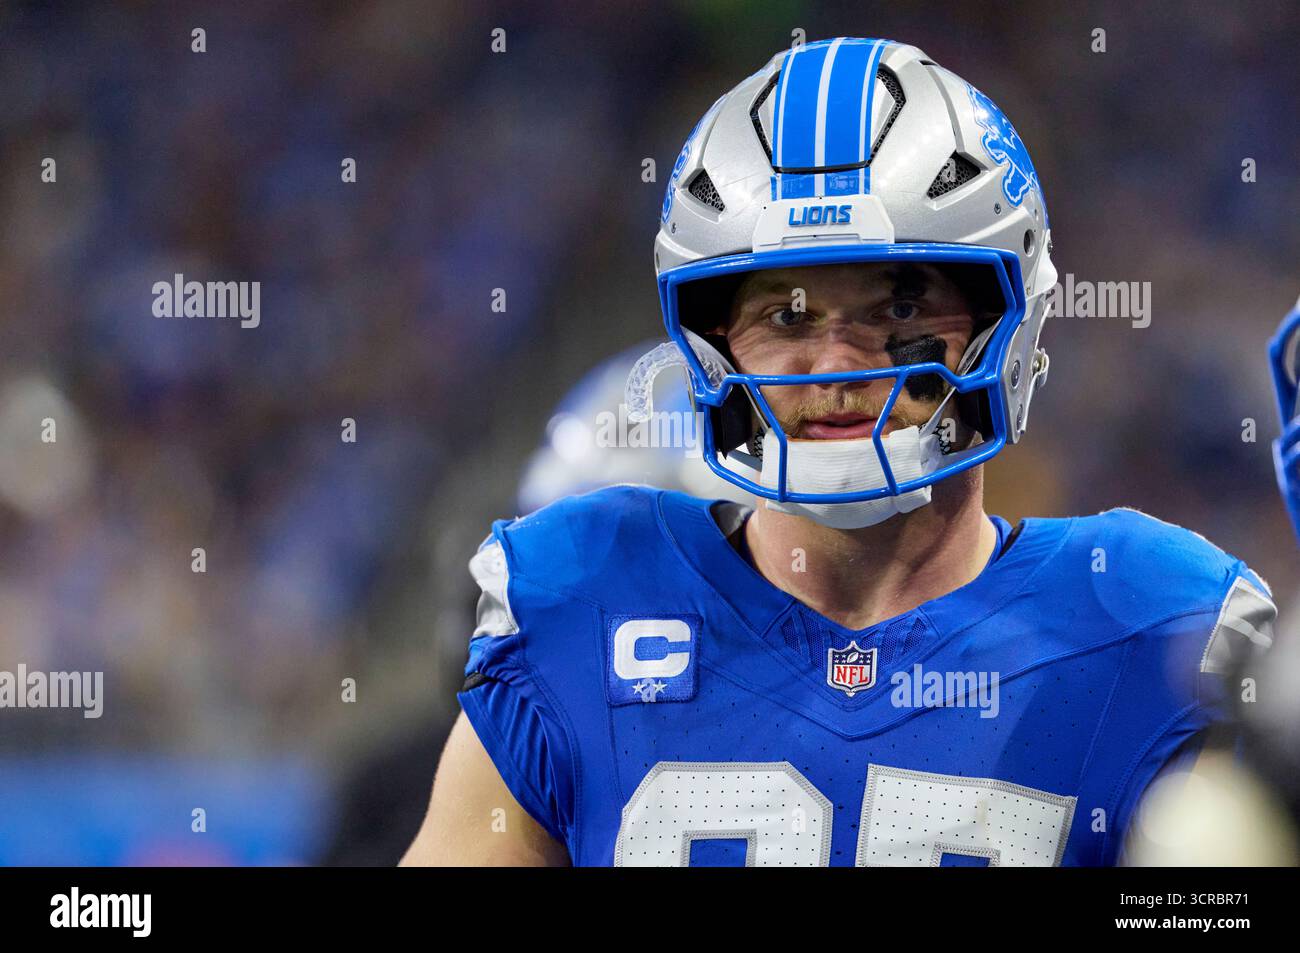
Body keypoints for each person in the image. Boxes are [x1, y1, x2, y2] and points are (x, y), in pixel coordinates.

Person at [402, 37, 1275, 867]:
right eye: (786, 316)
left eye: (897, 310)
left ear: (1004, 324)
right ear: (713, 341)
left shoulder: (1146, 621)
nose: (836, 367)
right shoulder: (582, 595)